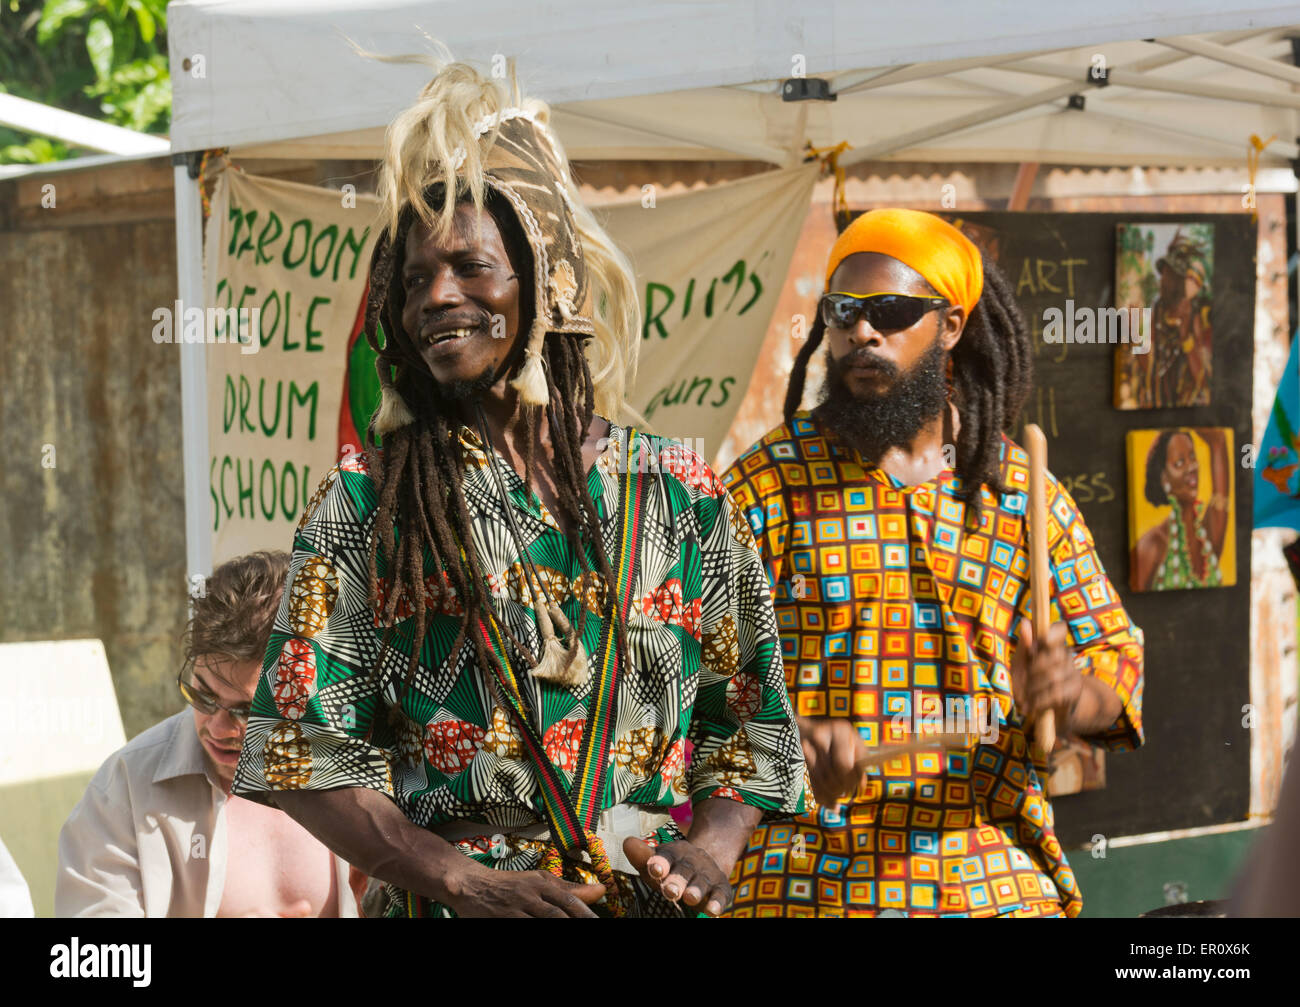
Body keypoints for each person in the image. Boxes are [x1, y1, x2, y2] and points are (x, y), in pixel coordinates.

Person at [230, 60, 807, 918]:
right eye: (415, 278)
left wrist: (710, 849)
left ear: (547, 281)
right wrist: (459, 877)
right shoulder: (367, 504)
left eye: (469, 266)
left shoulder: (678, 493)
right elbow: (299, 753)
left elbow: (753, 724)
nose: (437, 296)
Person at [721, 208, 1145, 917]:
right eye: (842, 312)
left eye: (890, 311)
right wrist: (782, 736)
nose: (863, 331)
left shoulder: (1021, 493)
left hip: (982, 859)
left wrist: (1068, 691)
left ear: (950, 325)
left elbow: (1117, 675)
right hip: (805, 869)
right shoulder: (765, 485)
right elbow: (680, 673)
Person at [56, 551, 358, 917]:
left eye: (246, 710)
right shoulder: (127, 789)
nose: (216, 728)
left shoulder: (370, 773)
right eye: (203, 695)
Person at [1131, 428, 1229, 591]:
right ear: (1164, 479)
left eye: (1192, 457)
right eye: (1179, 463)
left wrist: (1217, 444)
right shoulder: (1152, 546)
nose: (1191, 467)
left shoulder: (1206, 540)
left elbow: (1221, 497)